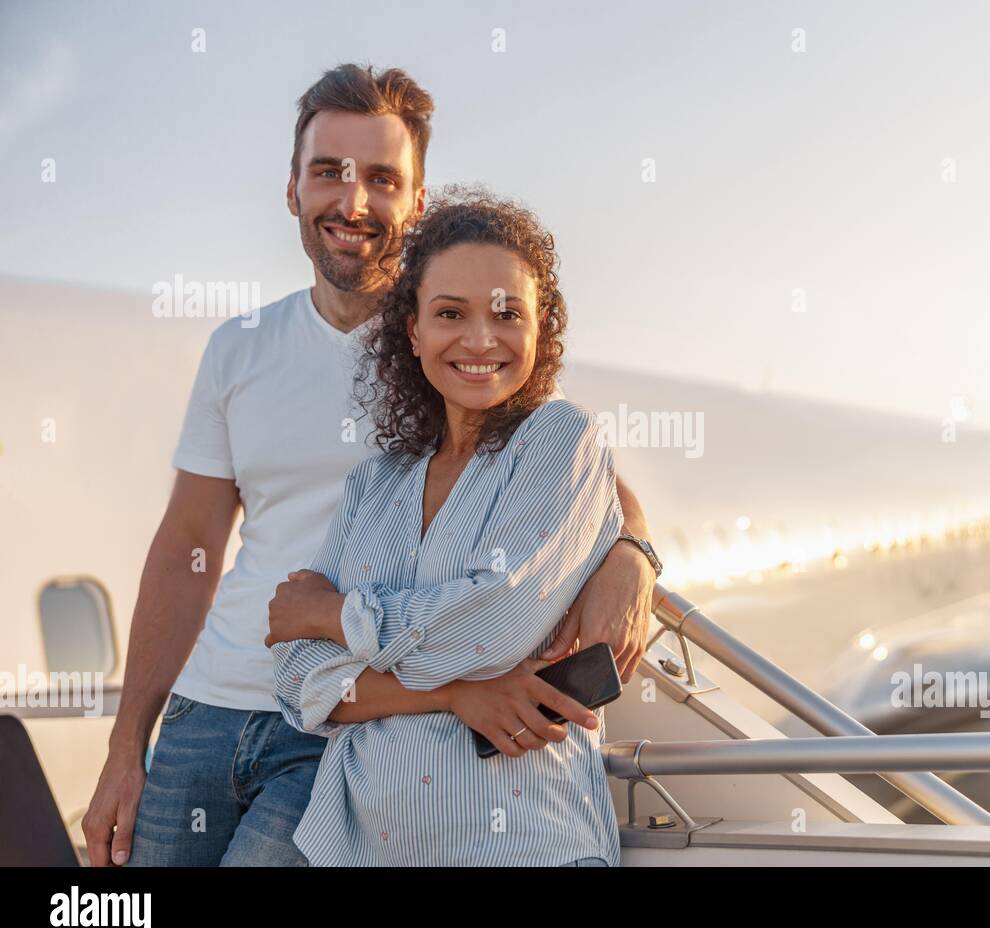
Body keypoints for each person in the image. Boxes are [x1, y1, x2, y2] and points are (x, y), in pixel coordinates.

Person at [83, 64, 659, 867]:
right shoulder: (240, 350)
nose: (352, 203)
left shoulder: (459, 338)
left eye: (383, 179)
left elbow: (579, 476)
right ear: (292, 189)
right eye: (329, 173)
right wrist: (125, 745)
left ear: (416, 203)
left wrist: (634, 556)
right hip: (211, 707)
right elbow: (189, 544)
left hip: (349, 725)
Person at [267, 186, 623, 865]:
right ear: (415, 331)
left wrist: (332, 614)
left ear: (540, 325)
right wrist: (458, 694)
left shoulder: (560, 438)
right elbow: (296, 678)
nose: (479, 339)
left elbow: (489, 628)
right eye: (450, 313)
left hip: (528, 847)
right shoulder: (375, 483)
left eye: (506, 313)